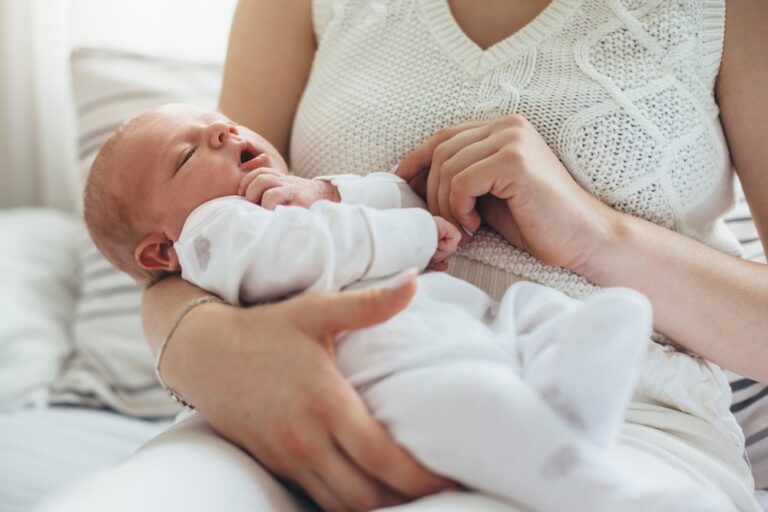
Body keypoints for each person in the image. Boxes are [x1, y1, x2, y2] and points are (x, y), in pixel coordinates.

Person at [42, 1, 768, 511]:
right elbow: (196, 247)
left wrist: (596, 235)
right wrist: (213, 353)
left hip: (622, 418)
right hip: (295, 399)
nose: (224, 140)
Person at [82, 102, 686, 510]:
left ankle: (568, 383)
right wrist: (417, 237)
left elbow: (398, 194)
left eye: (225, 125)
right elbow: (300, 254)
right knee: (481, 407)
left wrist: (328, 191)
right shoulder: (214, 234)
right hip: (385, 375)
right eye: (187, 156)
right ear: (162, 252)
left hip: (455, 330)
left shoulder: (291, 199)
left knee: (531, 312)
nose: (224, 135)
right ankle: (596, 488)